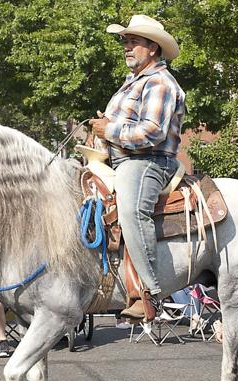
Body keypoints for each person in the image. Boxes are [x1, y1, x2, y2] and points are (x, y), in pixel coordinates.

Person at [89, 14, 185, 320]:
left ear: (153, 48)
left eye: (134, 42)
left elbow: (152, 132)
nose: (127, 48)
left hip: (148, 160)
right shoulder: (131, 82)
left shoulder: (160, 83)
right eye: (125, 42)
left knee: (130, 209)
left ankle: (150, 294)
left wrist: (109, 130)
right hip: (121, 158)